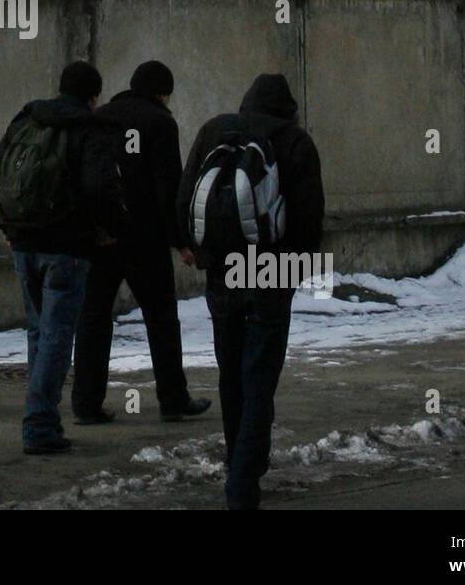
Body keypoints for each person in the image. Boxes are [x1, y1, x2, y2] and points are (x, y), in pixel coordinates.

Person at [179, 73, 323, 510]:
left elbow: (186, 193)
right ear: (289, 108)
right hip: (272, 273)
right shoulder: (296, 141)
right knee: (259, 378)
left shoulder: (215, 130)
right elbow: (307, 220)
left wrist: (194, 250)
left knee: (231, 372)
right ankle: (243, 482)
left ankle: (239, 461)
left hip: (222, 271)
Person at [0, 60, 131, 454]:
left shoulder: (28, 118)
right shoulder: (90, 127)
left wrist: (7, 228)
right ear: (93, 96)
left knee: (38, 331)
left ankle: (39, 416)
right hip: (67, 248)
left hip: (24, 243)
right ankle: (41, 426)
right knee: (57, 336)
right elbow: (101, 188)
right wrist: (113, 230)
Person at [72, 61, 210, 424]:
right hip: (145, 237)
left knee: (94, 317)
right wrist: (181, 241)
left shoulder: (101, 116)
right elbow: (170, 188)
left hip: (103, 235)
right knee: (161, 317)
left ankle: (86, 403)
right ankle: (172, 397)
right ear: (162, 93)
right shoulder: (160, 123)